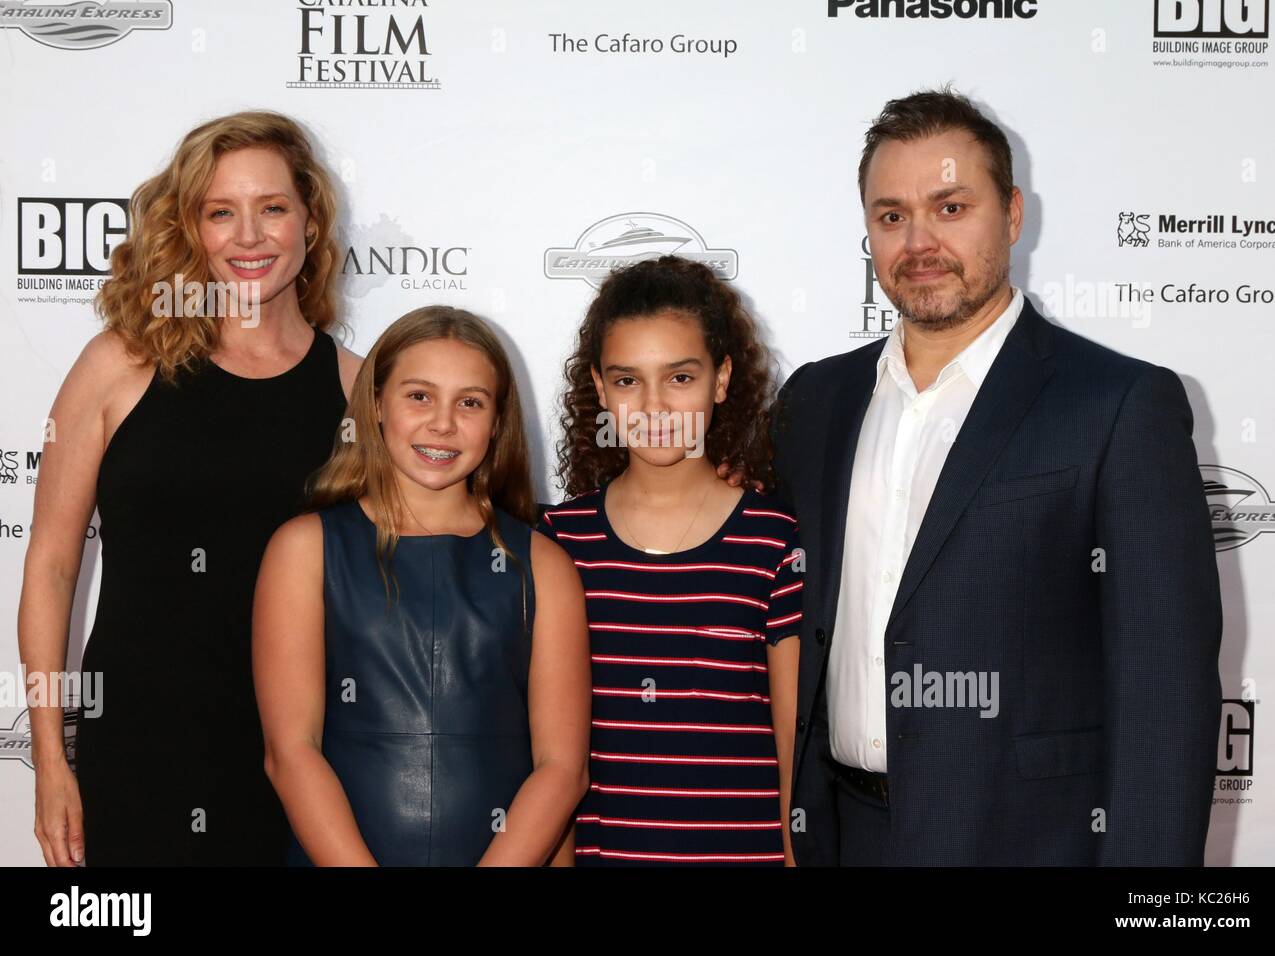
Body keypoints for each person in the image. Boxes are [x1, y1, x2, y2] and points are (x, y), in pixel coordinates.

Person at [769, 87, 1222, 865]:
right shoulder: (813, 402)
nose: (919, 241)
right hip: (840, 836)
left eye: (951, 208)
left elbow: (1165, 699)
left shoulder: (1118, 406)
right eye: (891, 216)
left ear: (1011, 215)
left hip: (1031, 841)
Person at [18, 110, 363, 866]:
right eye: (220, 212)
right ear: (189, 228)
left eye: (272, 207)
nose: (248, 236)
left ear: (310, 221)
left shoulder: (356, 391)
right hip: (139, 747)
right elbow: (49, 566)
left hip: (301, 763)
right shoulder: (120, 364)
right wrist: (50, 759)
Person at [253, 306, 590, 866]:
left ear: (498, 421)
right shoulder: (304, 549)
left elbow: (561, 768)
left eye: (471, 402)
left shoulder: (544, 565)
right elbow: (291, 752)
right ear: (377, 404)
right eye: (419, 396)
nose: (443, 423)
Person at [540, 255, 802, 865]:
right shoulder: (556, 542)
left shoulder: (776, 543)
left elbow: (792, 753)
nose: (654, 407)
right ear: (601, 390)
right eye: (628, 380)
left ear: (721, 378)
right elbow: (546, 757)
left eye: (680, 378)